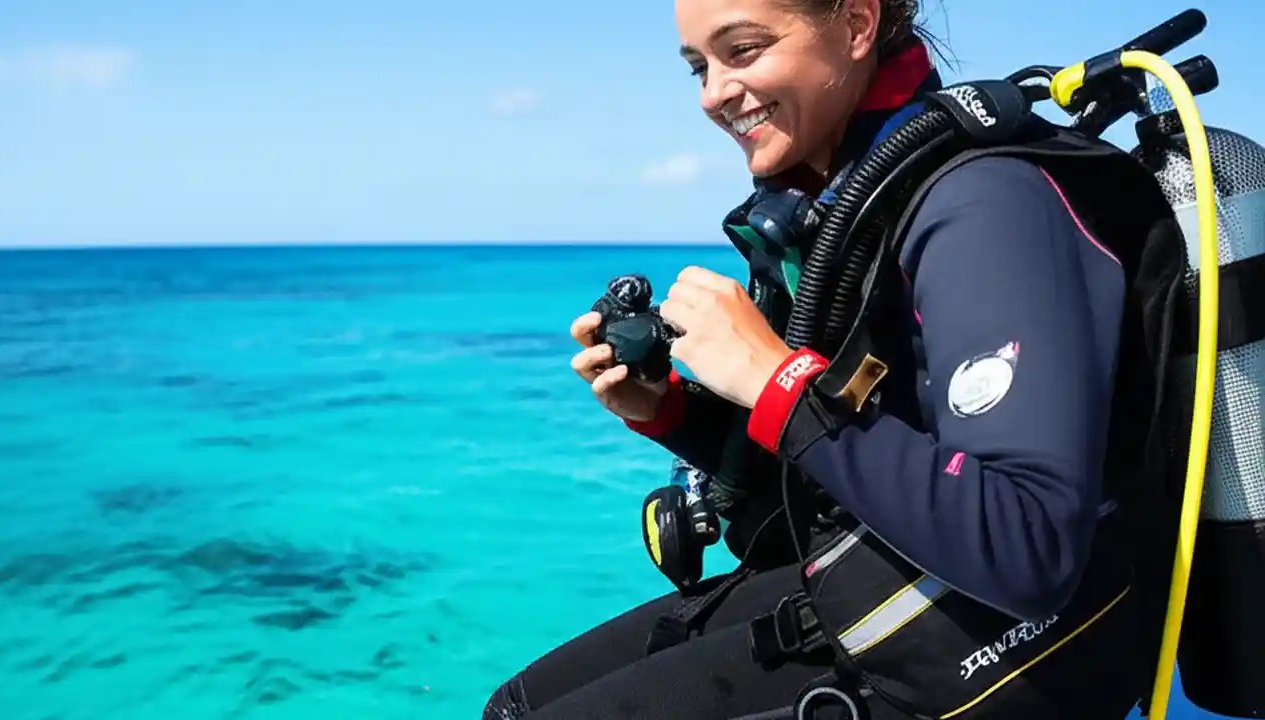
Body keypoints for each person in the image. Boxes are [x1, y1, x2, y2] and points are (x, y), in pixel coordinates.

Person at [484, 0, 1179, 717]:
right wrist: (673, 413)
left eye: (744, 50)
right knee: (516, 706)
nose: (714, 93)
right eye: (699, 66)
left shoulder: (985, 205)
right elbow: (825, 476)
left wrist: (772, 379)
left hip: (1010, 659)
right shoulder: (842, 208)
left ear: (855, 26)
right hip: (884, 577)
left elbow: (1027, 544)